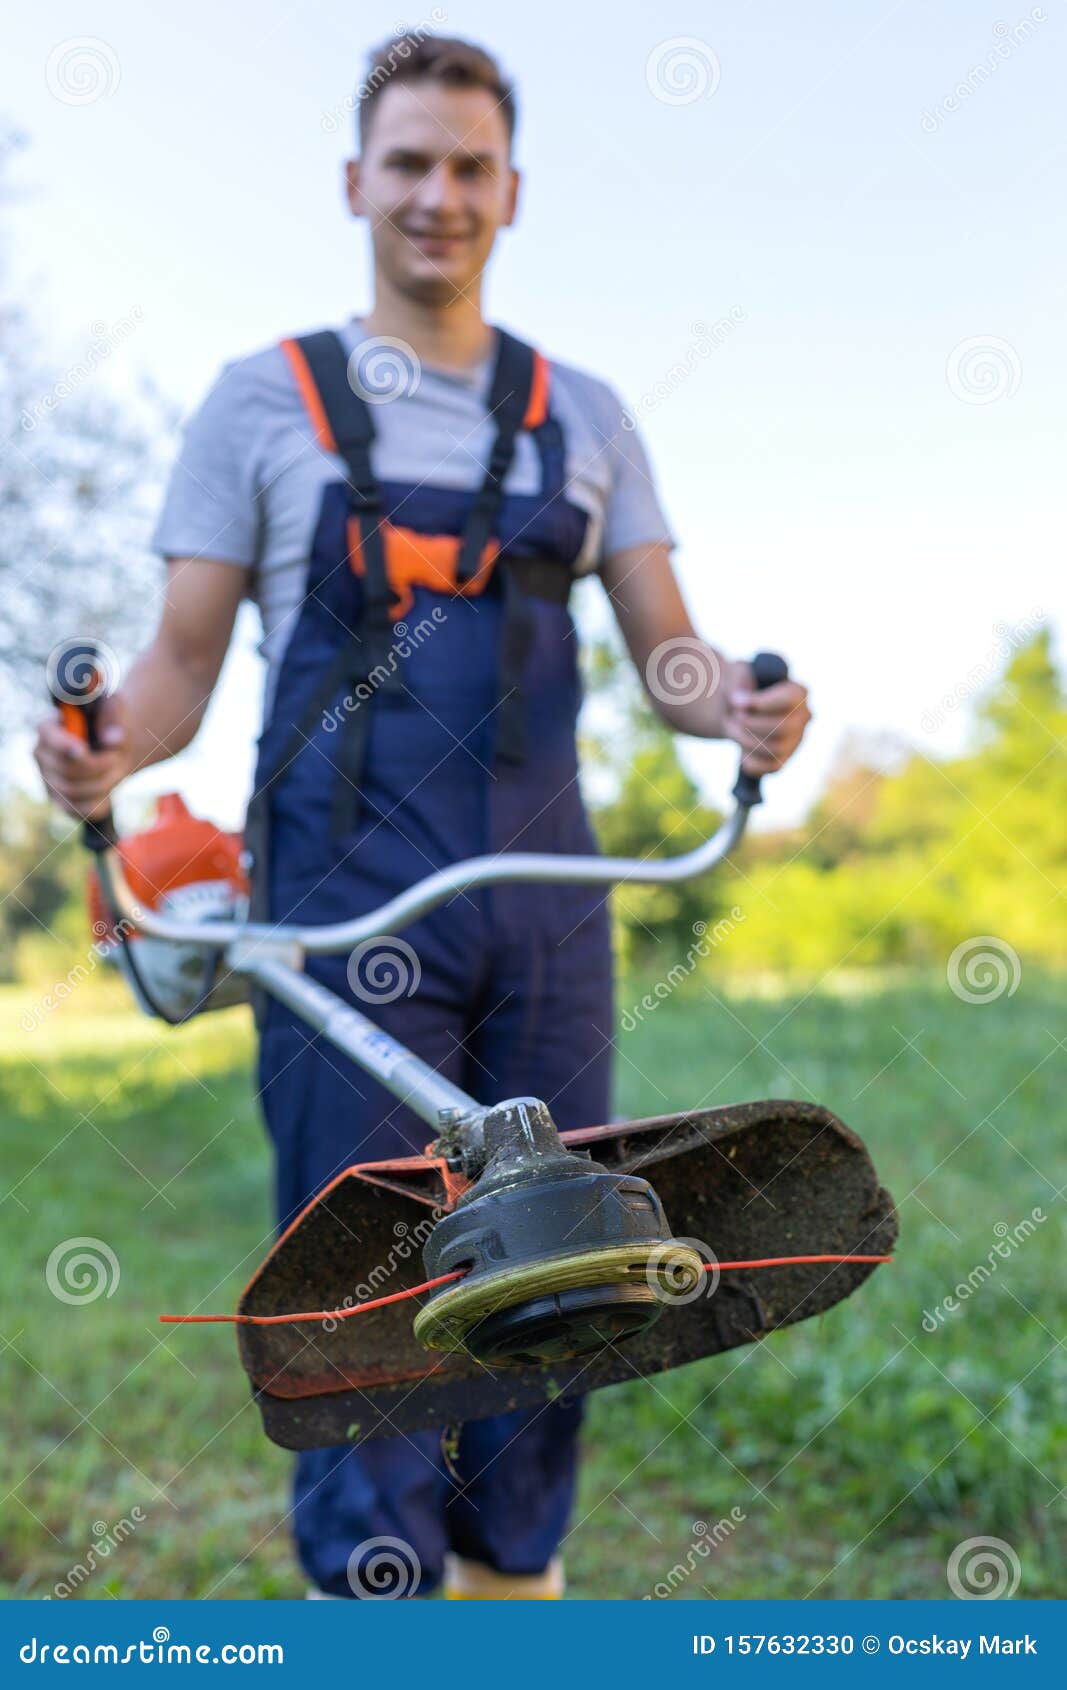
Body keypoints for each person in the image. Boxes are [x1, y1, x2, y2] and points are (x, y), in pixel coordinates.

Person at [35, 33, 811, 1600]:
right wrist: (110, 747)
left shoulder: (580, 414)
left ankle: (515, 1590)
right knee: (368, 1275)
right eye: (409, 163)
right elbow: (182, 664)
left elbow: (667, 649)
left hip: (547, 896)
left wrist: (733, 696)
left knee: (567, 1259)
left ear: (510, 191)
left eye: (468, 167)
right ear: (354, 182)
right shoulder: (264, 404)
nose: (438, 195)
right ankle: (374, 1598)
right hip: (337, 906)